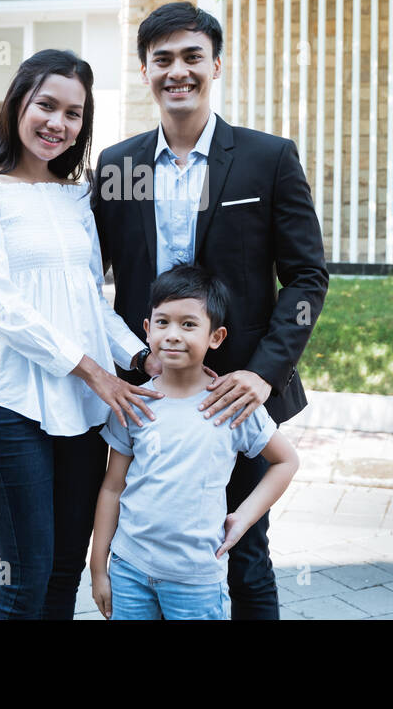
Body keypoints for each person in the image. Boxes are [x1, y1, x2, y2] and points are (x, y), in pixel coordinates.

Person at [0, 2, 329, 619]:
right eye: (162, 59)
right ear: (145, 72)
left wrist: (264, 373)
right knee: (136, 542)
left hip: (231, 395)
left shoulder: (265, 159)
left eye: (193, 57)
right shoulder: (118, 167)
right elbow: (79, 278)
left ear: (215, 65)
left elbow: (307, 277)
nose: (178, 72)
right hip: (142, 394)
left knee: (241, 554)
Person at [0, 48, 168, 620]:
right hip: (13, 402)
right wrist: (97, 372)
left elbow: (90, 303)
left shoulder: (77, 196)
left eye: (73, 114)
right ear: (19, 101)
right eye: (47, 105)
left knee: (64, 576)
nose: (58, 123)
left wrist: (144, 358)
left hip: (85, 411)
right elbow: (0, 306)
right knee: (25, 580)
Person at [90, 264, 300, 620]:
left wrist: (243, 518)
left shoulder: (231, 404)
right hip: (130, 569)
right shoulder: (135, 402)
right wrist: (98, 569)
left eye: (189, 324)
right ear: (147, 329)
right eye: (163, 322)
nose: (173, 334)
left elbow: (286, 462)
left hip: (197, 580)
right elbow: (112, 487)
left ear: (215, 337)